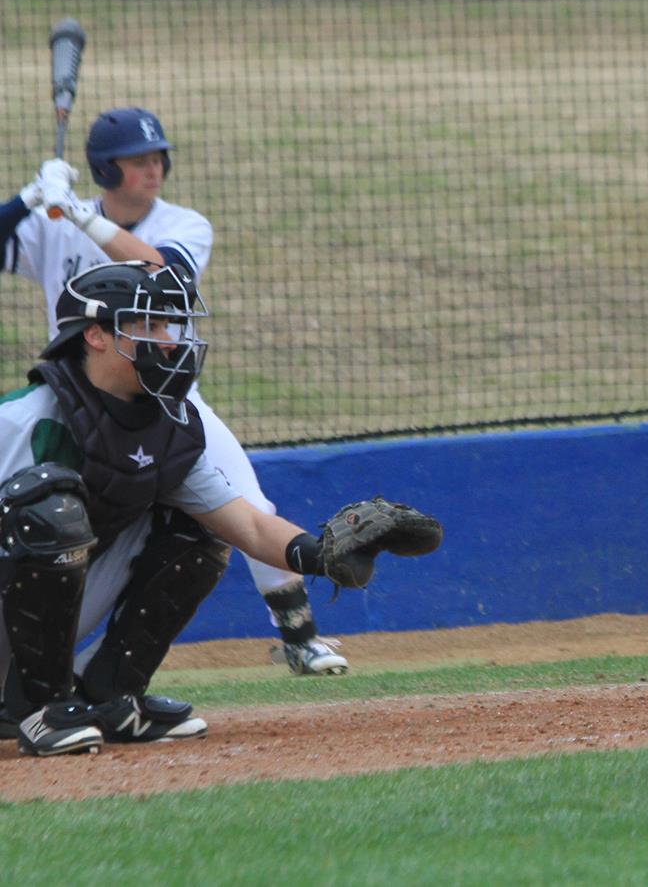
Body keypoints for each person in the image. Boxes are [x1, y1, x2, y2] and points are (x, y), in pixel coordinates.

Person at [1, 109, 350, 677]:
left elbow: (167, 276)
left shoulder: (184, 222)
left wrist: (80, 217)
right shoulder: (52, 220)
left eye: (157, 157)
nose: (153, 169)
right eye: (137, 160)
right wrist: (28, 197)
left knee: (244, 507)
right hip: (75, 400)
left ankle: (299, 636)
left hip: (165, 398)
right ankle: (44, 682)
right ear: (103, 170)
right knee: (53, 523)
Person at [0, 261, 380, 755]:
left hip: (22, 630)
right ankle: (42, 709)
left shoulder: (166, 427)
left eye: (171, 324)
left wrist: (326, 554)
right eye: (150, 325)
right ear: (96, 335)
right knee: (46, 509)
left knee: (198, 527)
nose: (171, 340)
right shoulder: (22, 418)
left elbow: (247, 525)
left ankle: (108, 696)